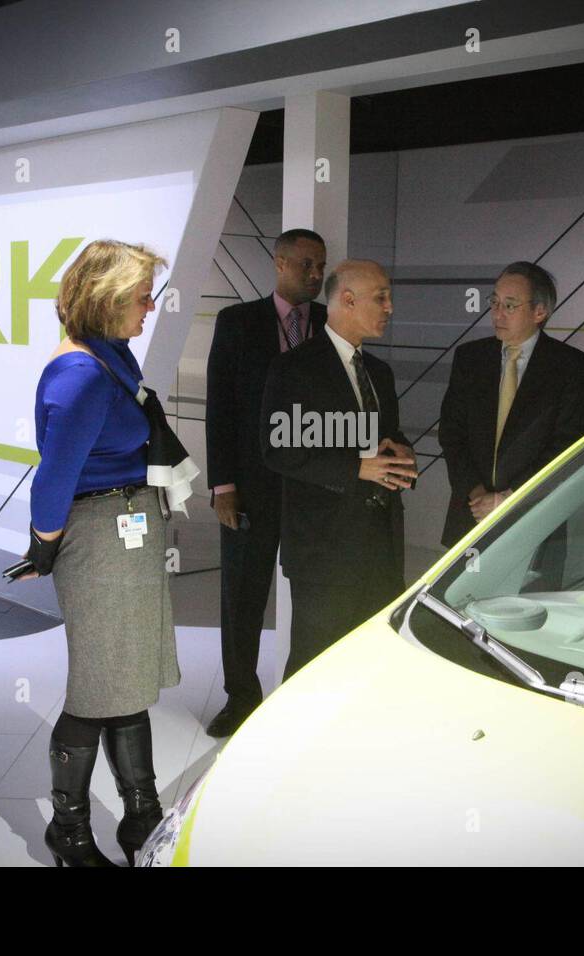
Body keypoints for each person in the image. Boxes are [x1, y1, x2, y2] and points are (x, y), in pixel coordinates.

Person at [18, 239, 180, 867]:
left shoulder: (111, 353)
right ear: (109, 300)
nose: (150, 308)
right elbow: (54, 479)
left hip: (128, 531)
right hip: (98, 540)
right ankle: (70, 830)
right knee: (95, 690)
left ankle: (140, 814)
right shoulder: (80, 374)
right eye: (142, 297)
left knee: (127, 680)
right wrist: (45, 545)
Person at [261, 259, 417, 679]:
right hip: (323, 549)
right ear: (347, 300)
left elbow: (387, 435)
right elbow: (278, 450)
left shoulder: (378, 373)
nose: (390, 306)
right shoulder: (294, 368)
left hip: (380, 546)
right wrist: (357, 469)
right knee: (315, 663)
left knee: (372, 662)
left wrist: (401, 453)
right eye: (381, 297)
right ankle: (296, 743)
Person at [204, 228, 327, 737]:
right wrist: (223, 485)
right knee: (242, 594)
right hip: (250, 487)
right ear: (279, 263)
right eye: (306, 265)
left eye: (320, 266)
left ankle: (301, 693)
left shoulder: (330, 323)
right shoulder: (237, 323)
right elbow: (220, 408)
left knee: (317, 595)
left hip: (314, 489)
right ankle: (241, 697)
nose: (316, 275)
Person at [438, 261, 584, 548]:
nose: (497, 313)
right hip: (471, 515)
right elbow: (451, 433)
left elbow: (566, 446)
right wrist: (478, 495)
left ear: (540, 311)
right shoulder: (470, 358)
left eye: (509, 305)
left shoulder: (571, 366)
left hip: (535, 515)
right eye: (494, 302)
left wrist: (509, 499)